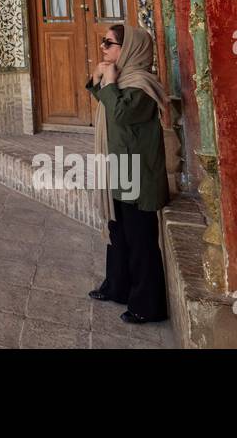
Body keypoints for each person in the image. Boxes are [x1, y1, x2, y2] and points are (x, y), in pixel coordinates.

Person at [85, 22, 170, 324]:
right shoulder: (123, 80)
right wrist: (99, 82)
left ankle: (147, 305)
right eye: (104, 43)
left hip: (136, 172)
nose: (103, 48)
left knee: (140, 239)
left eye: (109, 43)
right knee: (117, 231)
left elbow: (120, 112)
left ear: (130, 48)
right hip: (119, 168)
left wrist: (107, 84)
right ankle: (118, 286)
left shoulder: (143, 84)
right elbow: (111, 106)